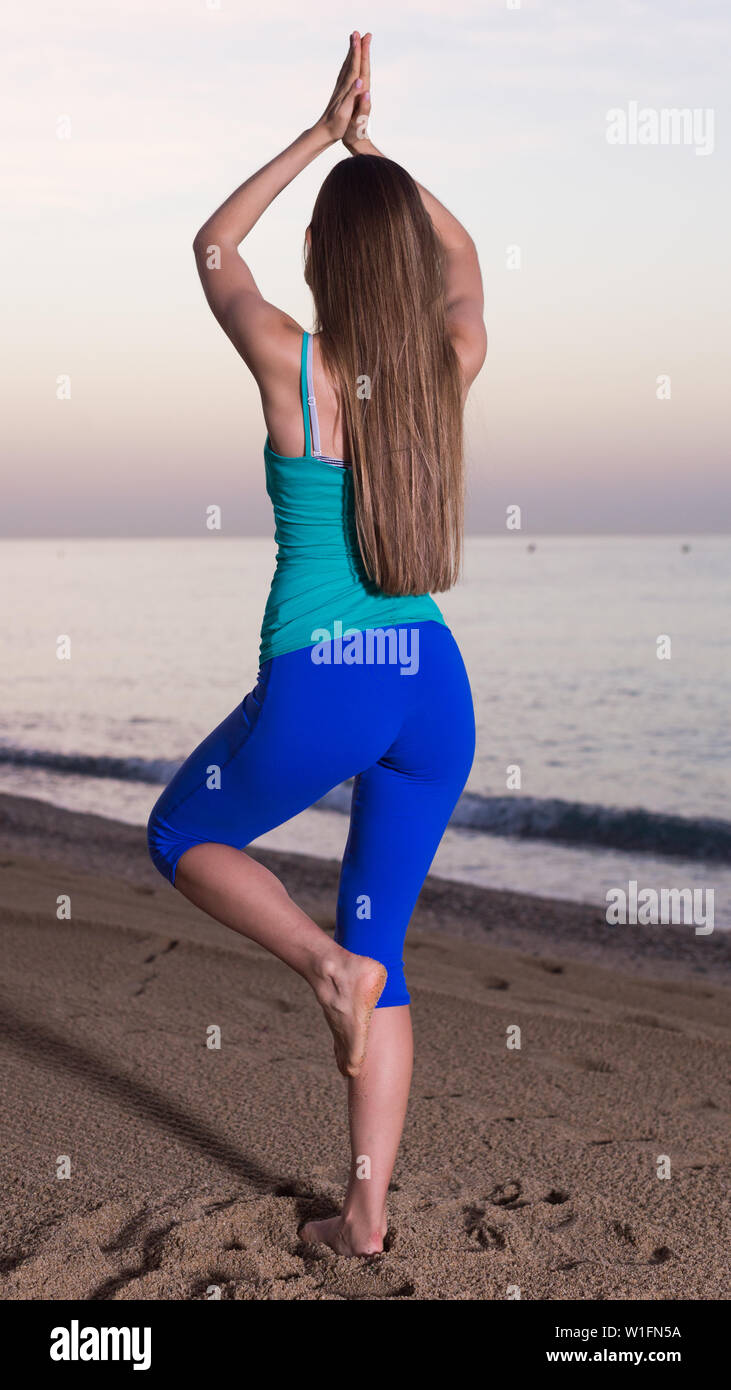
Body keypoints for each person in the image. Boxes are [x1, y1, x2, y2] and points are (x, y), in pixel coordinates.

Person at [147, 31, 486, 1256]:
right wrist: (376, 155)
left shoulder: (294, 363)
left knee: (183, 832)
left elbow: (210, 246)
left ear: (322, 258)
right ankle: (364, 1216)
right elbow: (460, 258)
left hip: (323, 680)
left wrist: (315, 135)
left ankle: (317, 969)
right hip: (429, 687)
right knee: (378, 940)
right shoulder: (449, 367)